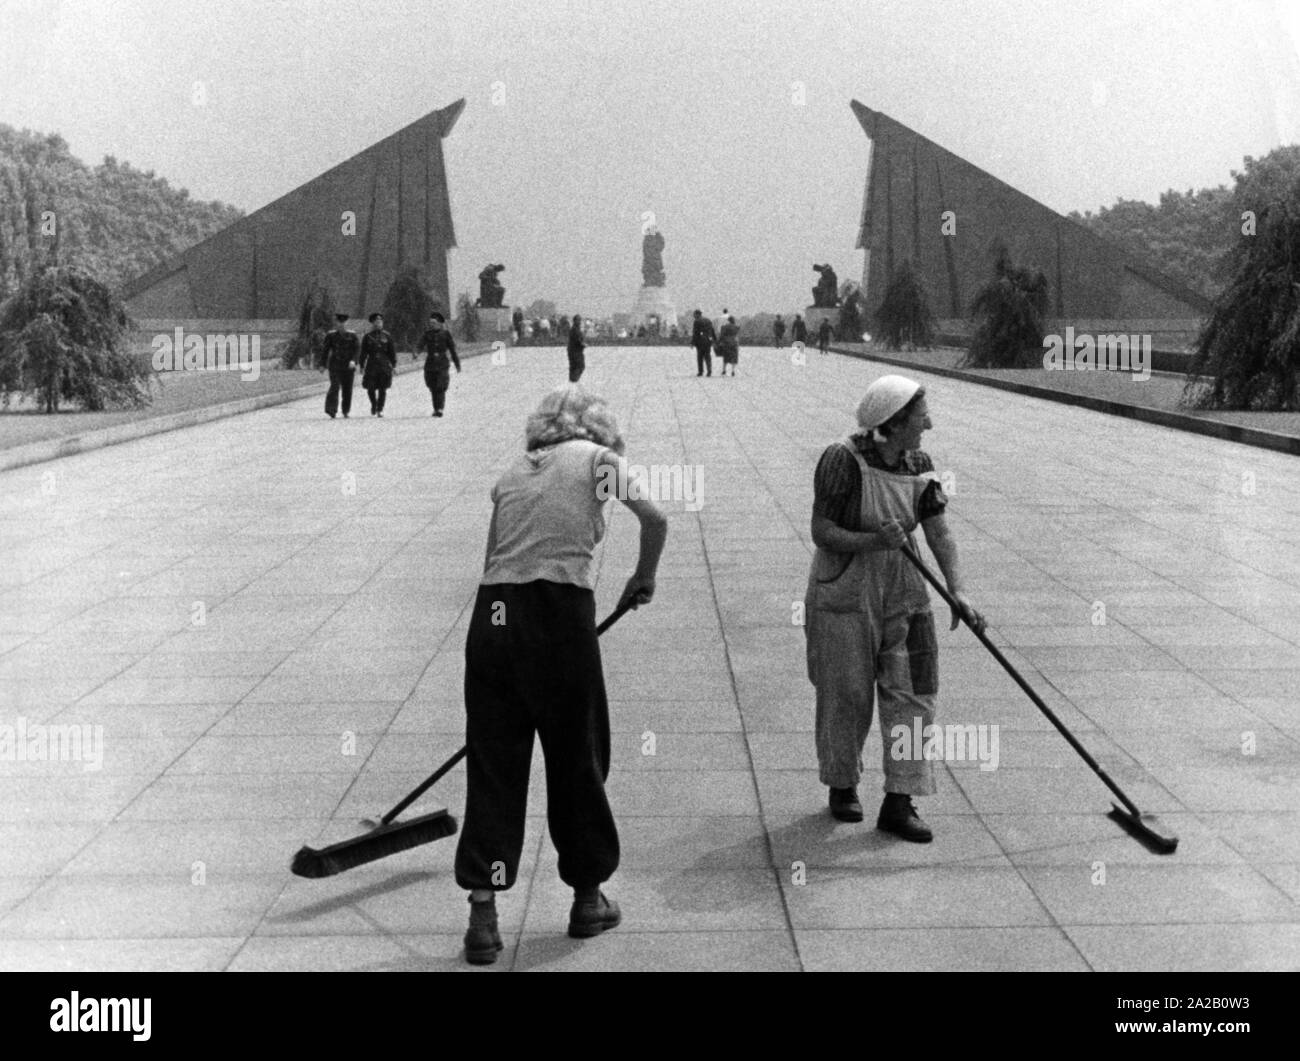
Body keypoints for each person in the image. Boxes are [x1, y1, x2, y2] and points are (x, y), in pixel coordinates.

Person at [455, 384, 668, 965]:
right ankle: (587, 897)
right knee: (576, 757)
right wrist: (641, 577)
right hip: (559, 612)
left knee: (495, 764)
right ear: (600, 428)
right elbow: (655, 517)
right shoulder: (600, 461)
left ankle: (483, 912)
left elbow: (492, 559)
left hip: (494, 615)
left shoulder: (512, 472)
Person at [804, 375, 985, 843]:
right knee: (846, 692)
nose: (929, 423)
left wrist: (958, 590)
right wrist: (871, 540)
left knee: (914, 693)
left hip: (906, 589)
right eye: (921, 416)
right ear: (896, 421)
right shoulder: (841, 460)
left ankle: (900, 800)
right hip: (846, 586)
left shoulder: (920, 463)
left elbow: (939, 531)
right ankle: (842, 784)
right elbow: (822, 530)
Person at [420, 311, 461, 417]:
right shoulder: (427, 334)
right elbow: (420, 344)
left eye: (434, 323)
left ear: (439, 323)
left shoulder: (446, 334)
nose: (432, 325)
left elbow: (452, 350)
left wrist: (457, 363)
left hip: (442, 363)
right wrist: (416, 352)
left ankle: (440, 409)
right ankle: (436, 408)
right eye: (431, 323)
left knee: (440, 386)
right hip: (430, 364)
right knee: (432, 386)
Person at [322, 312, 359, 418]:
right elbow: (325, 350)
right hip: (335, 365)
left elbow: (357, 350)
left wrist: (354, 361)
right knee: (334, 386)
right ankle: (331, 410)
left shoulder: (352, 335)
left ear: (347, 323)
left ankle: (346, 410)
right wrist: (322, 364)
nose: (342, 324)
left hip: (348, 366)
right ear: (336, 323)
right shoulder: (331, 335)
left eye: (344, 322)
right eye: (339, 322)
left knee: (347, 389)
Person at [359, 312, 397, 417]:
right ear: (372, 323)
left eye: (380, 321)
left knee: (382, 388)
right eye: (376, 321)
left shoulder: (387, 336)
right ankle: (374, 404)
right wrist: (361, 366)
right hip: (371, 366)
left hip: (384, 366)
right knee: (370, 388)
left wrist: (393, 365)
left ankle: (380, 409)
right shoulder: (367, 337)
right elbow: (363, 353)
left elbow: (392, 352)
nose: (378, 323)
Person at [690, 309, 716, 377]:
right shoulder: (708, 320)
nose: (694, 316)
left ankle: (700, 372)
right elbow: (712, 330)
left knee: (700, 357)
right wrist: (714, 340)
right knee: (708, 356)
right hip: (708, 341)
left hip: (700, 341)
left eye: (694, 314)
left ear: (697, 314)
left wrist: (692, 342)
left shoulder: (697, 321)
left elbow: (695, 333)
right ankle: (709, 371)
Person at [567, 314, 587, 382]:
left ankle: (572, 381)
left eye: (580, 320)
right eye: (578, 320)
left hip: (574, 351)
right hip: (575, 352)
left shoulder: (576, 329)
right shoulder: (574, 329)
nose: (580, 322)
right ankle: (574, 381)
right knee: (580, 366)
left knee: (574, 367)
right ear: (574, 321)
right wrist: (583, 344)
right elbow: (577, 340)